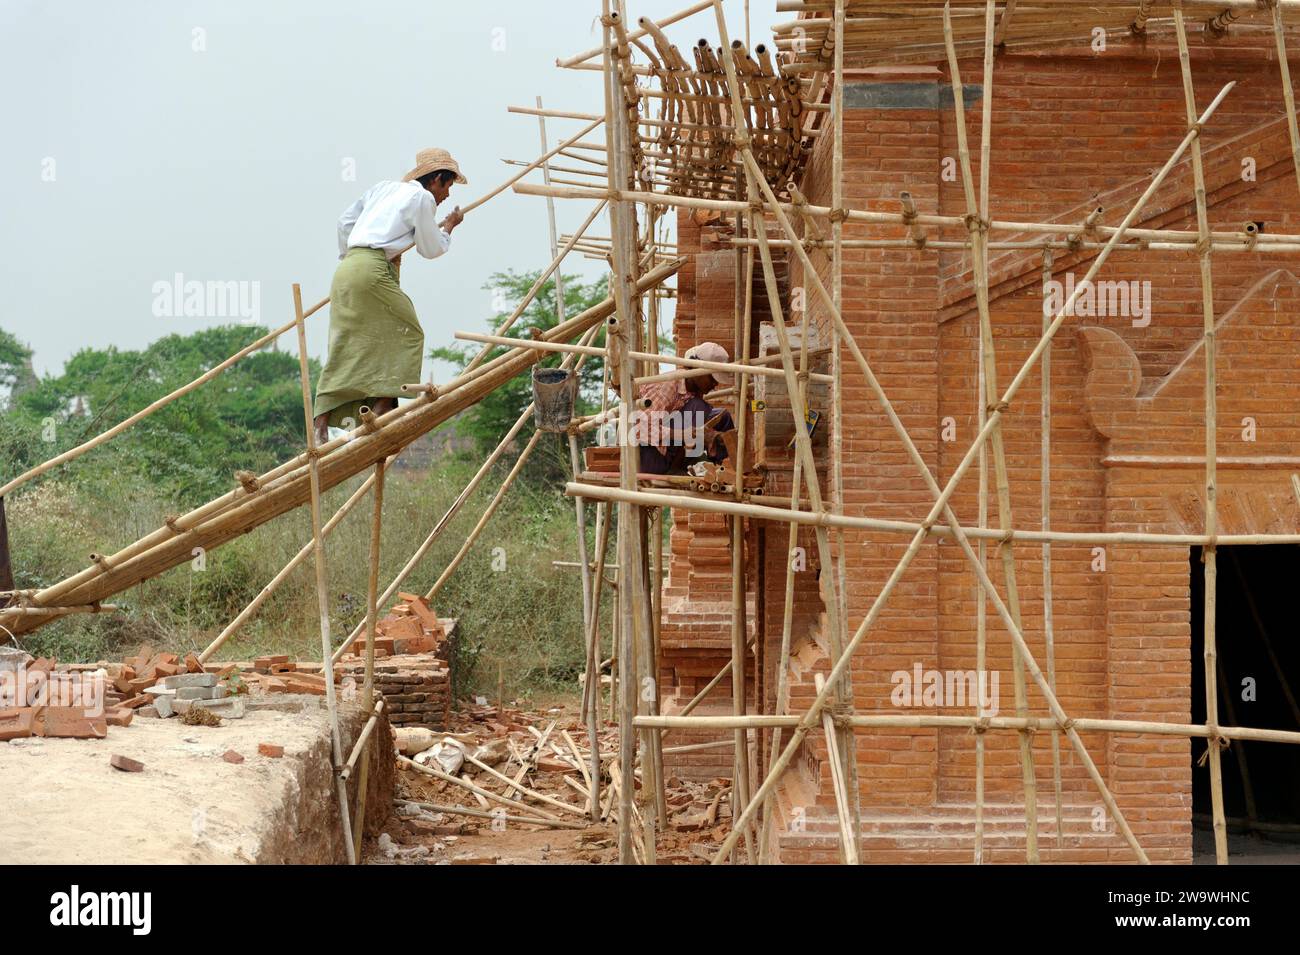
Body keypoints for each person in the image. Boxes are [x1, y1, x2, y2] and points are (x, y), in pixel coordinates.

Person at [312, 147, 467, 444]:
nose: (446, 194)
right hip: (371, 271)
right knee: (408, 332)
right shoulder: (422, 198)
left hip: (346, 270)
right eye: (447, 185)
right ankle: (383, 405)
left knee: (349, 342)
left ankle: (321, 424)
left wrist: (353, 255)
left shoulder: (383, 189)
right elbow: (430, 248)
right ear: (435, 179)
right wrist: (448, 227)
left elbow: (344, 222)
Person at [635, 341, 735, 475]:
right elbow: (641, 428)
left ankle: (717, 470)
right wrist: (683, 434)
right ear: (696, 369)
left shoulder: (692, 391)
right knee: (698, 407)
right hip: (649, 457)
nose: (715, 384)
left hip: (666, 447)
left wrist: (712, 437)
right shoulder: (668, 386)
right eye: (712, 378)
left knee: (723, 416)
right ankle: (675, 469)